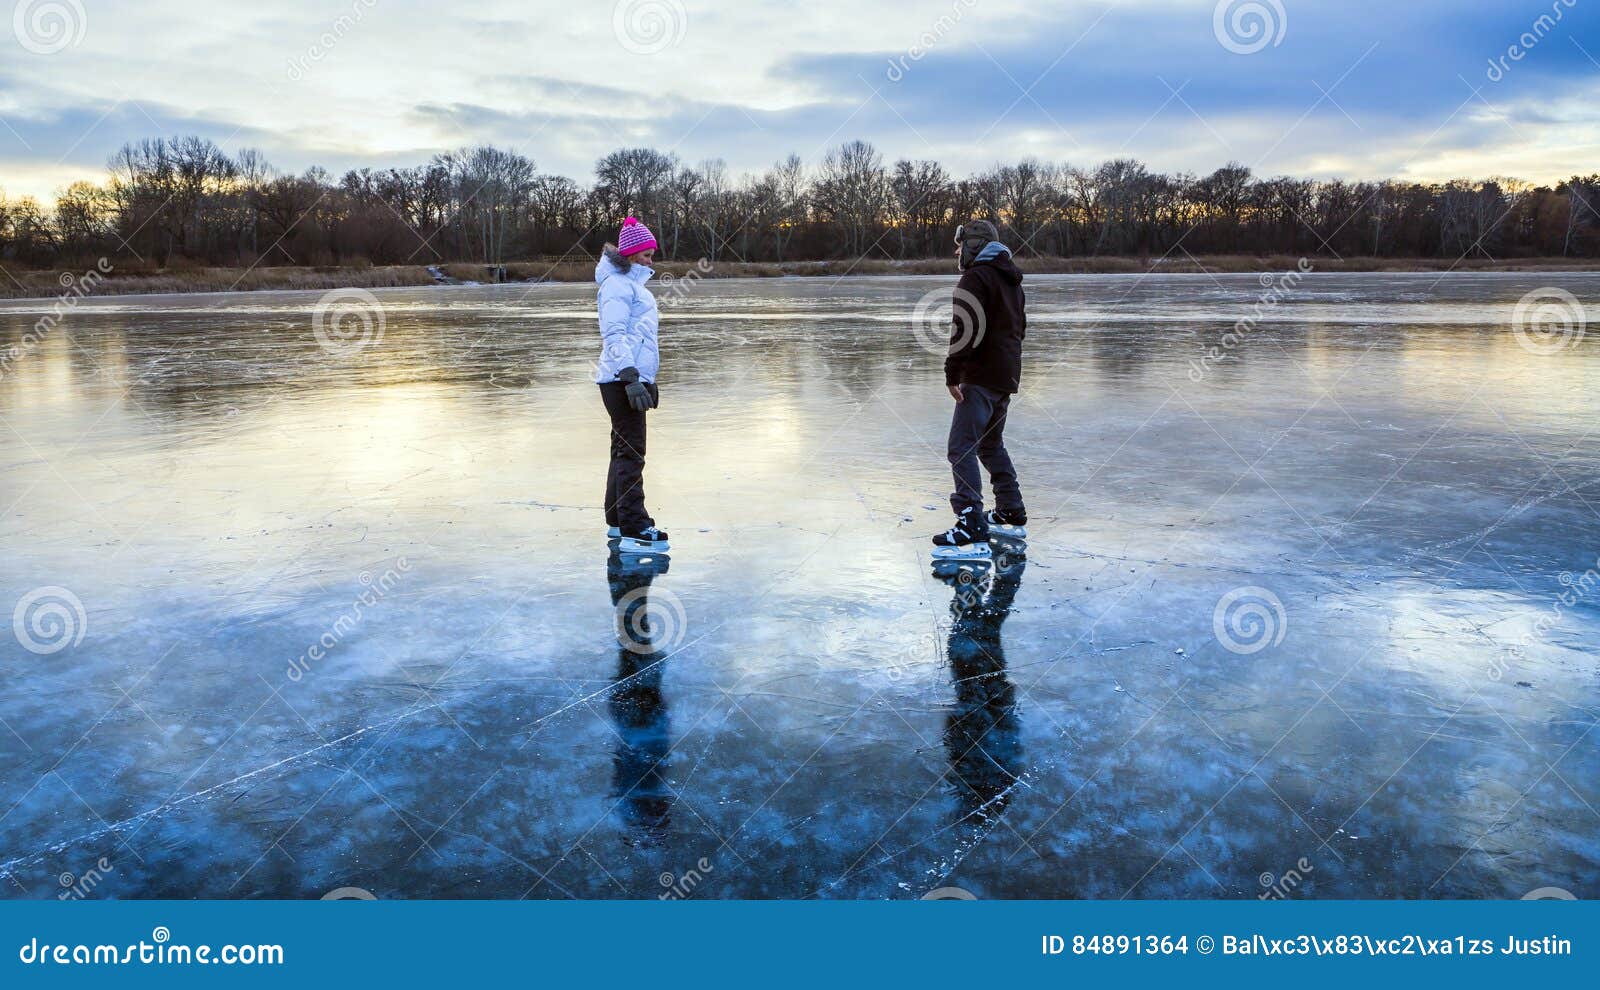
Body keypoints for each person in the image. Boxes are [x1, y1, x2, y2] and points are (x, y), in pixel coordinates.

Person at [933, 220, 1028, 559]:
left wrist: (953, 373)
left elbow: (964, 329)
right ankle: (1010, 510)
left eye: (960, 244)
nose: (956, 251)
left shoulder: (976, 277)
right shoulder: (1011, 279)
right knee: (990, 444)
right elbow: (1020, 329)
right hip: (1005, 377)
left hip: (980, 376)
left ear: (974, 245)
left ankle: (971, 522)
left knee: (961, 446)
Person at [595, 216, 669, 553]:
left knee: (622, 448)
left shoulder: (631, 286)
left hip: (626, 378)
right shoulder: (617, 286)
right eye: (646, 256)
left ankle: (617, 521)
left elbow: (641, 340)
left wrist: (646, 378)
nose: (650, 262)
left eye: (652, 255)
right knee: (631, 452)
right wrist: (630, 377)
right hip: (620, 380)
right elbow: (614, 334)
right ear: (630, 255)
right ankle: (635, 528)